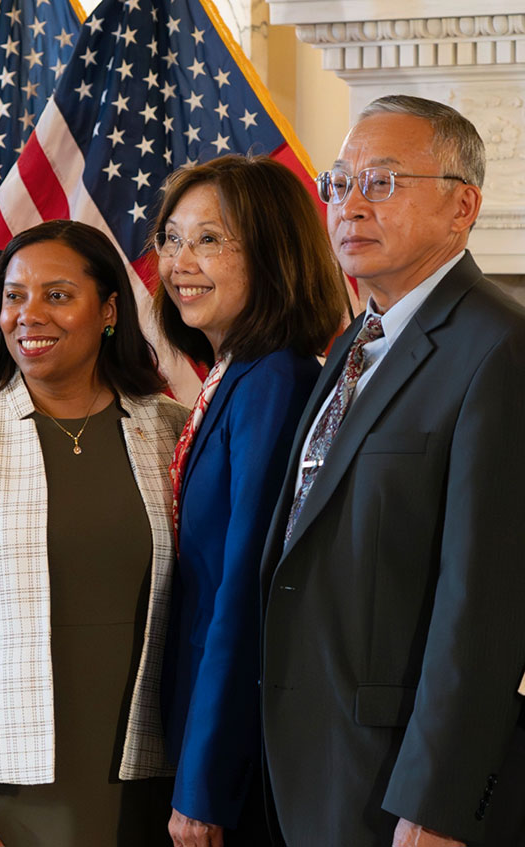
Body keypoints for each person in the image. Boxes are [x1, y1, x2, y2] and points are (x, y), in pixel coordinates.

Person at [261, 94, 525, 846]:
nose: (351, 205)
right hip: (310, 761)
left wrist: (436, 803)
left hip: (400, 782)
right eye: (338, 183)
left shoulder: (497, 350)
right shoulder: (355, 340)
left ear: (461, 206)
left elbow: (486, 608)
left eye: (382, 182)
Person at [0, 219, 187, 846]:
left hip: (149, 769)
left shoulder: (172, 429)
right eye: (14, 296)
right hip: (2, 778)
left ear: (109, 309)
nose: (29, 314)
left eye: (57, 295)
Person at [152, 155, 347, 847]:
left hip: (237, 764)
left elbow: (247, 590)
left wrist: (203, 784)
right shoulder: (233, 375)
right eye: (172, 238)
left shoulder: (276, 380)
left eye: (210, 238)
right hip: (205, 736)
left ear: (273, 253)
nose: (181, 261)